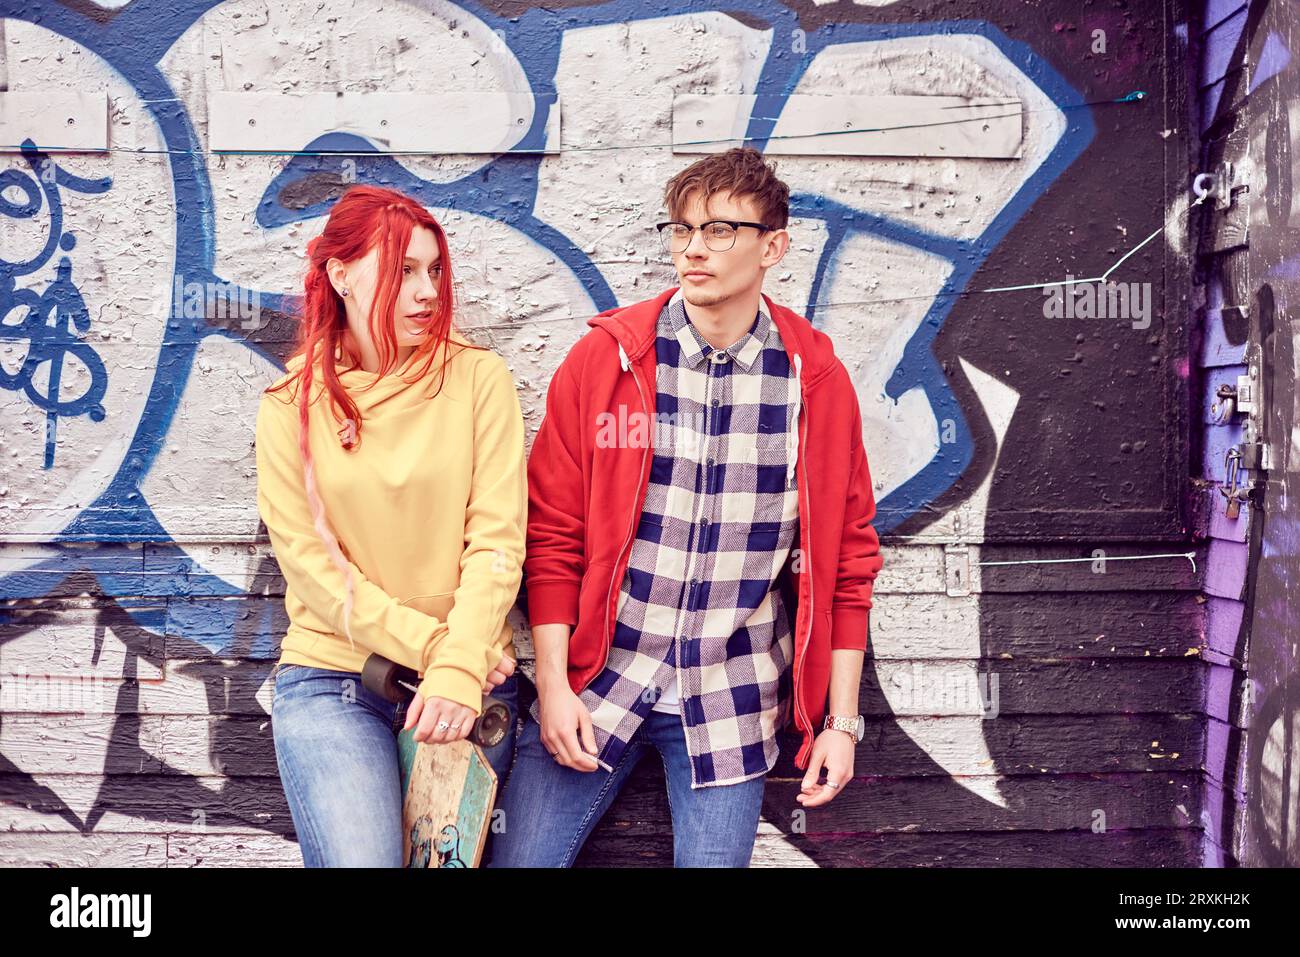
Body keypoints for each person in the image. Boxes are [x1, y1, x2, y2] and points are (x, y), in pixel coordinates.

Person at [491, 147, 883, 868]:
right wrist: (550, 686)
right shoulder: (608, 365)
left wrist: (842, 722)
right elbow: (551, 536)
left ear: (774, 247)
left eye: (720, 230)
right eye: (682, 229)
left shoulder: (815, 383)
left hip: (731, 699)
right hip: (596, 685)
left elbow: (849, 563)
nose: (693, 248)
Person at [256, 184, 527, 867]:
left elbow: (496, 541)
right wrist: (444, 650)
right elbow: (318, 574)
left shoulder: (477, 380)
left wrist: (458, 667)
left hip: (469, 684)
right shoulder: (292, 406)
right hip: (336, 677)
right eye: (403, 269)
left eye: (434, 269)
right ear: (340, 274)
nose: (426, 290)